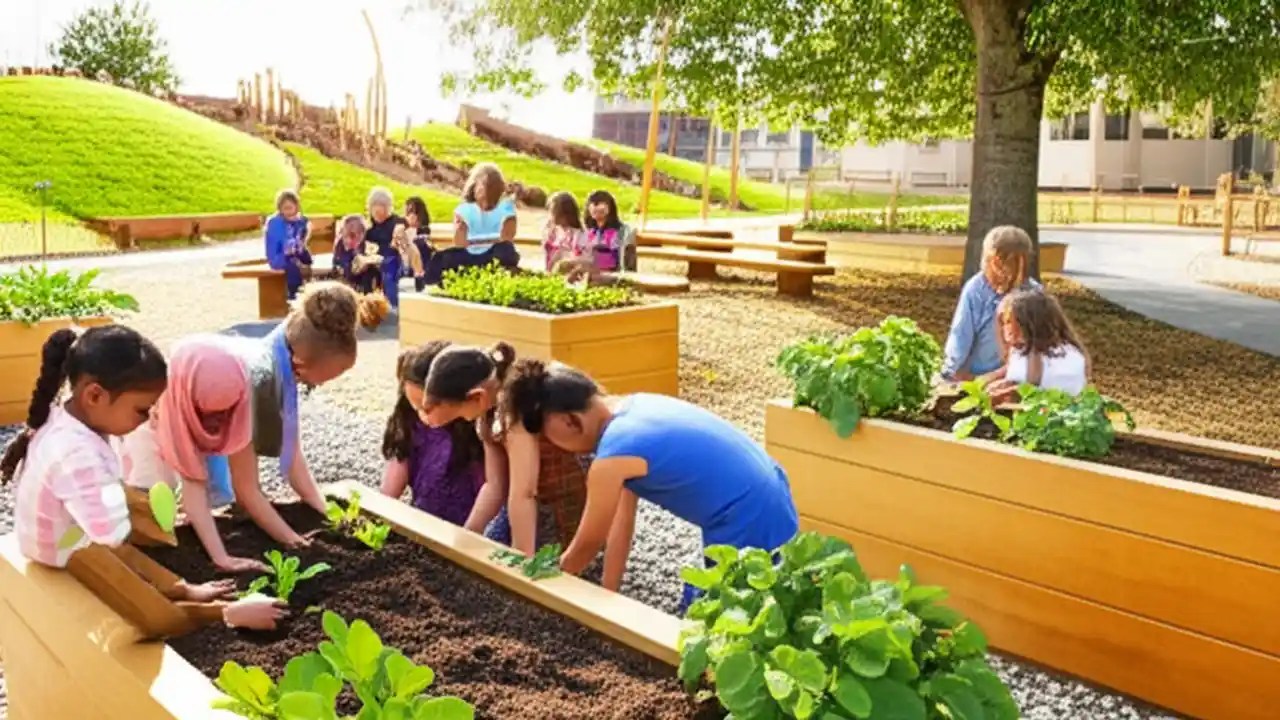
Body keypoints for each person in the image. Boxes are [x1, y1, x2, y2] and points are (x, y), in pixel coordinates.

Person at [1, 325, 286, 634]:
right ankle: (226, 611)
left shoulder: (69, 418)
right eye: (142, 410)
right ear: (95, 395)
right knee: (155, 617)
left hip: (63, 533)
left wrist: (179, 586)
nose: (148, 417)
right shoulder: (77, 455)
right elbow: (119, 560)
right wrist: (217, 609)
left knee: (138, 515)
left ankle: (184, 590)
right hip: (62, 553)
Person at [500, 360, 799, 608]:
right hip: (769, 488)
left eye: (547, 435)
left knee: (720, 614)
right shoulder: (633, 408)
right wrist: (608, 597)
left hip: (745, 515)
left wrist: (538, 589)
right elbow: (621, 521)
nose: (551, 444)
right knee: (765, 591)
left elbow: (586, 548)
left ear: (569, 422)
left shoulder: (611, 460)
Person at [233, 281, 386, 552]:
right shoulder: (260, 380)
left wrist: (324, 509)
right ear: (301, 367)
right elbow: (247, 489)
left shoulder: (285, 348)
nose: (324, 385)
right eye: (327, 378)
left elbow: (291, 451)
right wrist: (294, 541)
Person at [412, 343, 589, 556]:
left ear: (477, 396)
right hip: (526, 500)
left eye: (459, 413)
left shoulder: (514, 412)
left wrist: (521, 559)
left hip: (563, 498)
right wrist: (467, 536)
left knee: (542, 563)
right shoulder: (486, 414)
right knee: (488, 549)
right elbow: (495, 485)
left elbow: (525, 492)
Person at [116, 336, 265, 572]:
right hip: (148, 446)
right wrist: (221, 558)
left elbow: (220, 484)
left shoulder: (227, 393)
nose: (216, 420)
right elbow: (192, 484)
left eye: (223, 413)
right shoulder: (163, 415)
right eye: (206, 413)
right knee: (152, 495)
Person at [379, 341, 485, 526]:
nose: (423, 416)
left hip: (471, 523)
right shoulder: (412, 422)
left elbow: (488, 486)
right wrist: (380, 511)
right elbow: (399, 460)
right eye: (416, 407)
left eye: (427, 408)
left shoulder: (471, 427)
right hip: (424, 520)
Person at [940, 225, 1040, 382]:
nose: (1006, 275)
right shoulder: (976, 290)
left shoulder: (1034, 294)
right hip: (975, 376)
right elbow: (961, 335)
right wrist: (951, 370)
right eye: (999, 266)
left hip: (1018, 376)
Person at [980, 289, 1091, 403]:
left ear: (1029, 324)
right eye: (1003, 323)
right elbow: (1016, 374)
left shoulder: (1063, 356)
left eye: (1009, 322)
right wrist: (1002, 382)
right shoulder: (1021, 349)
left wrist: (1005, 393)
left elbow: (1034, 388)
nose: (1005, 330)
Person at [424, 163, 520, 285]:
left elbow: (507, 238)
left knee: (505, 250)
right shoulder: (464, 210)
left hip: (491, 255)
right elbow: (460, 243)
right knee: (442, 258)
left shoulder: (505, 207)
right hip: (478, 256)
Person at [263, 189, 313, 300]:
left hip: (293, 252)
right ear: (280, 209)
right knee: (293, 267)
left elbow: (306, 225)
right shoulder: (275, 222)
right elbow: (284, 243)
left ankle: (309, 290)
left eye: (291, 208)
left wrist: (304, 235)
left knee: (307, 259)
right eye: (285, 209)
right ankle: (294, 295)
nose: (289, 212)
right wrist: (295, 246)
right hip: (279, 255)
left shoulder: (298, 220)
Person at [365, 187, 408, 308]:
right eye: (375, 207)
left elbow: (399, 247)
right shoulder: (369, 229)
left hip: (395, 262)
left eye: (382, 207)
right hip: (373, 263)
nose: (378, 211)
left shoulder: (397, 223)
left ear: (388, 208)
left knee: (389, 266)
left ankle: (393, 307)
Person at [583, 190, 637, 273]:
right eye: (593, 204)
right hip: (594, 268)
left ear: (610, 207)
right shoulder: (592, 231)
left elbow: (615, 259)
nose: (595, 207)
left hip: (613, 272)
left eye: (599, 203)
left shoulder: (620, 231)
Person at [543, 191, 590, 273]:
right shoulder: (552, 230)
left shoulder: (579, 235)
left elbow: (580, 258)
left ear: (563, 215)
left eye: (552, 212)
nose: (550, 216)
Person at [333, 214, 378, 294]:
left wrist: (366, 260)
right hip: (348, 274)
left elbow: (375, 257)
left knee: (370, 271)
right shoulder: (341, 245)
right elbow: (340, 263)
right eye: (346, 236)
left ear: (363, 234)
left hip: (364, 277)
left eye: (354, 236)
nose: (349, 240)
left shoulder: (368, 243)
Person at [403, 196, 433, 292]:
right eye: (408, 213)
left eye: (413, 212)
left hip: (417, 273)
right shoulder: (402, 231)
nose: (410, 216)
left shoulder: (423, 236)